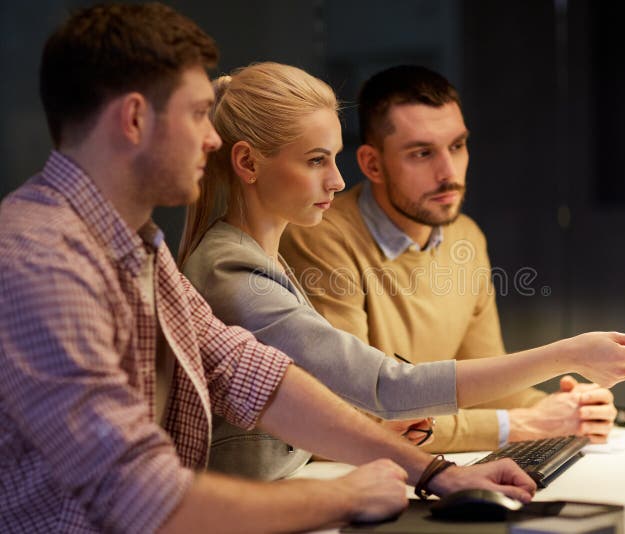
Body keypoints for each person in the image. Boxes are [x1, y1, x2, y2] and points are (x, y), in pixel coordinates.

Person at [0, 6, 544, 532]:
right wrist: (346, 496)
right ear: (135, 119)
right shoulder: (43, 262)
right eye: (196, 114)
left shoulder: (138, 248)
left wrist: (436, 473)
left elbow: (251, 375)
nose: (212, 138)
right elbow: (138, 494)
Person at [178, 59, 625, 480]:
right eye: (315, 161)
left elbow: (319, 413)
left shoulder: (266, 256)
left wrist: (557, 409)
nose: (335, 178)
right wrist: (567, 357)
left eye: (457, 146)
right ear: (247, 162)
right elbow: (383, 388)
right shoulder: (239, 268)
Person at [280, 65, 625, 453]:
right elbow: (355, 414)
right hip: (347, 473)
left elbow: (488, 386)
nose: (448, 173)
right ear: (372, 164)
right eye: (422, 153)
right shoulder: (319, 238)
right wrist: (521, 424)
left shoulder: (465, 236)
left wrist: (565, 408)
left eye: (457, 146)